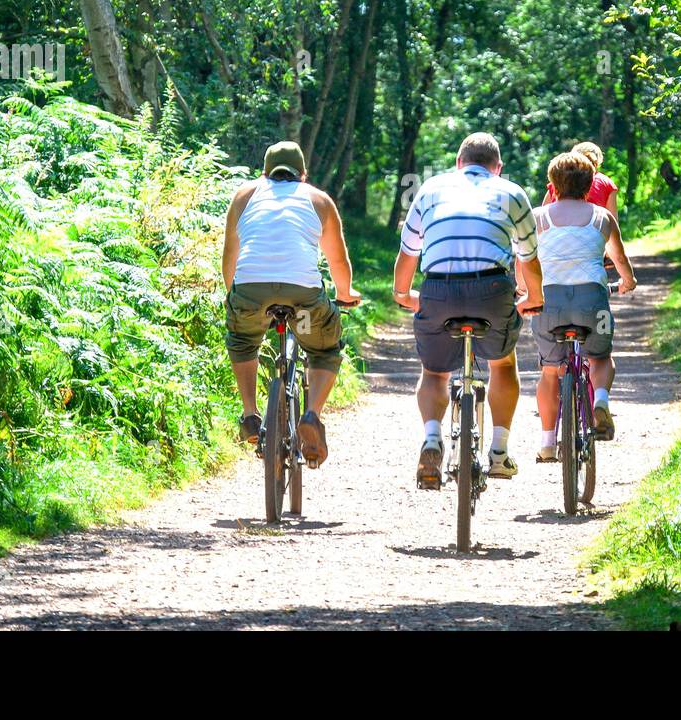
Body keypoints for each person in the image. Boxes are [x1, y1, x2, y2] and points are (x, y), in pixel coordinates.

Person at [392, 132, 544, 488]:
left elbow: (408, 253)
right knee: (503, 363)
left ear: (459, 163)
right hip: (491, 289)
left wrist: (402, 293)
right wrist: (534, 297)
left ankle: (432, 438)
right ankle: (499, 452)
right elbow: (529, 259)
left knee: (433, 372)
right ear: (498, 167)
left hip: (437, 287)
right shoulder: (511, 193)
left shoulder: (430, 189)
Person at [221, 141, 361, 468]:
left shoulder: (244, 195)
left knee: (242, 342)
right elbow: (338, 262)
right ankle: (311, 415)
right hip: (303, 298)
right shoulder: (318, 199)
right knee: (324, 349)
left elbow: (230, 257)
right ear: (303, 174)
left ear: (264, 173)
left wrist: (236, 299)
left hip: (250, 290)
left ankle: (250, 414)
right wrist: (346, 293)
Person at [532, 151, 636, 461]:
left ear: (553, 184)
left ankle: (548, 442)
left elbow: (524, 262)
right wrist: (628, 281)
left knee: (550, 371)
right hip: (594, 303)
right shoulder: (602, 217)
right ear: (591, 184)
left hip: (548, 304)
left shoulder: (538, 218)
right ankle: (600, 400)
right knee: (601, 357)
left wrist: (523, 291)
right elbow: (619, 260)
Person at [543, 140, 618, 217]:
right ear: (598, 161)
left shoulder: (559, 181)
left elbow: (543, 214)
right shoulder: (607, 183)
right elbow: (612, 220)